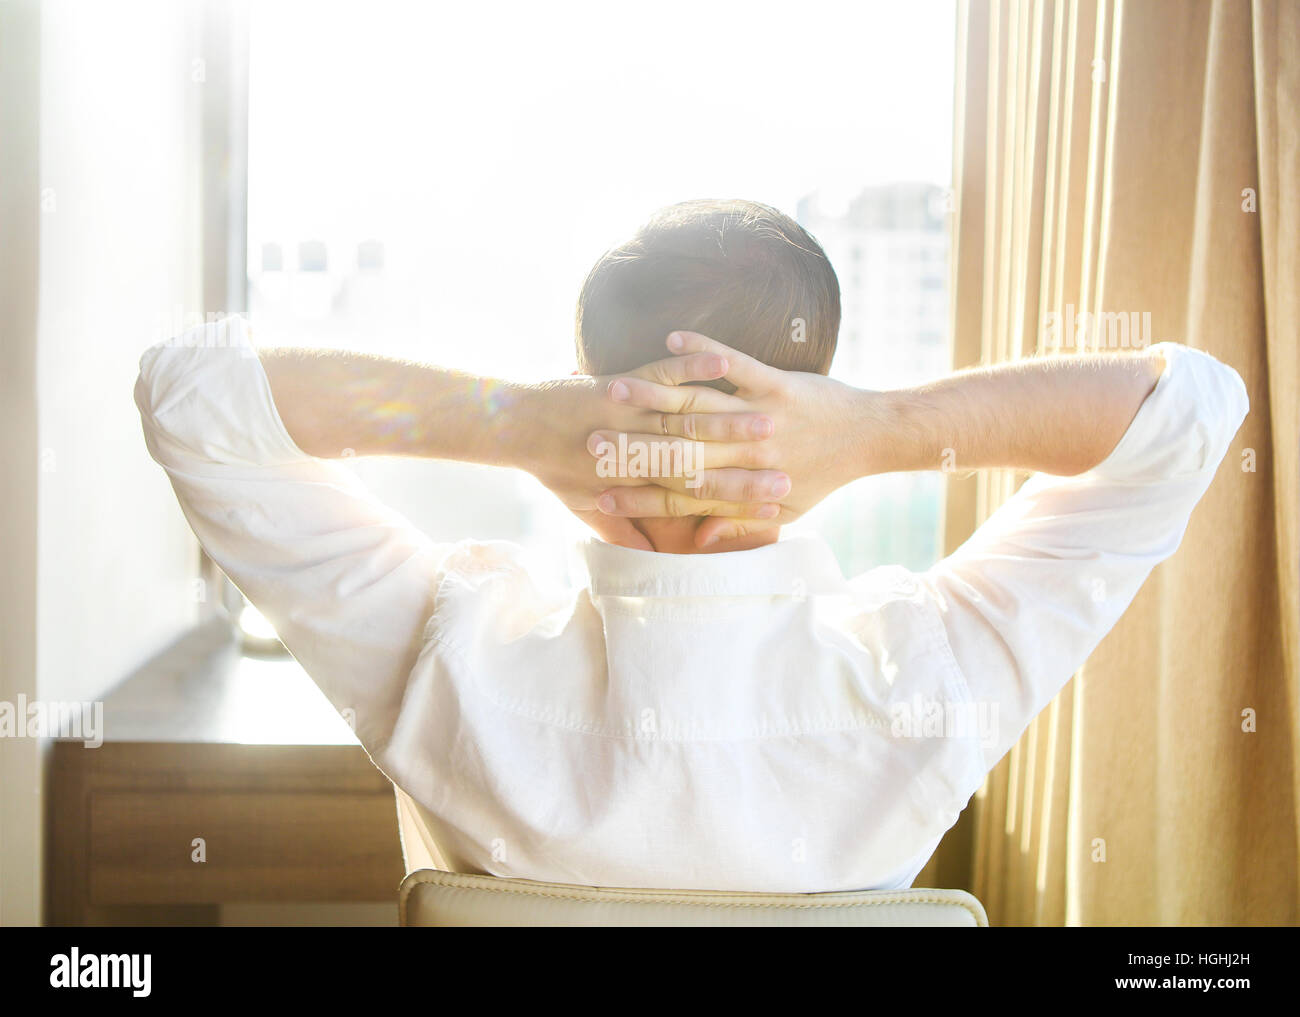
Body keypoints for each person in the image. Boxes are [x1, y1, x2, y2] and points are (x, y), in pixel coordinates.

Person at [134, 200, 1248, 892]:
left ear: (588, 398)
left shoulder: (447, 652)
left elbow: (190, 396)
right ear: (807, 403)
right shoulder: (933, 678)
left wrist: (519, 421)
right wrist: (876, 430)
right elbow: (1190, 407)